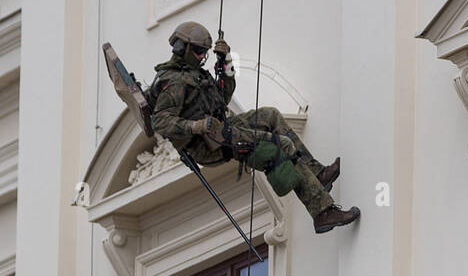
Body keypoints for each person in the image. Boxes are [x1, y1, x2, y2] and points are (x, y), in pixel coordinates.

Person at [148, 22, 361, 234]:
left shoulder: (196, 75)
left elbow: (224, 96)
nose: (202, 57)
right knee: (280, 146)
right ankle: (322, 211)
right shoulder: (173, 82)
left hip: (221, 129)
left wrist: (227, 61)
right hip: (208, 144)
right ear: (180, 48)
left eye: (204, 52)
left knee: (271, 115)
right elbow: (161, 122)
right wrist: (196, 126)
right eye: (197, 51)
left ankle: (317, 173)